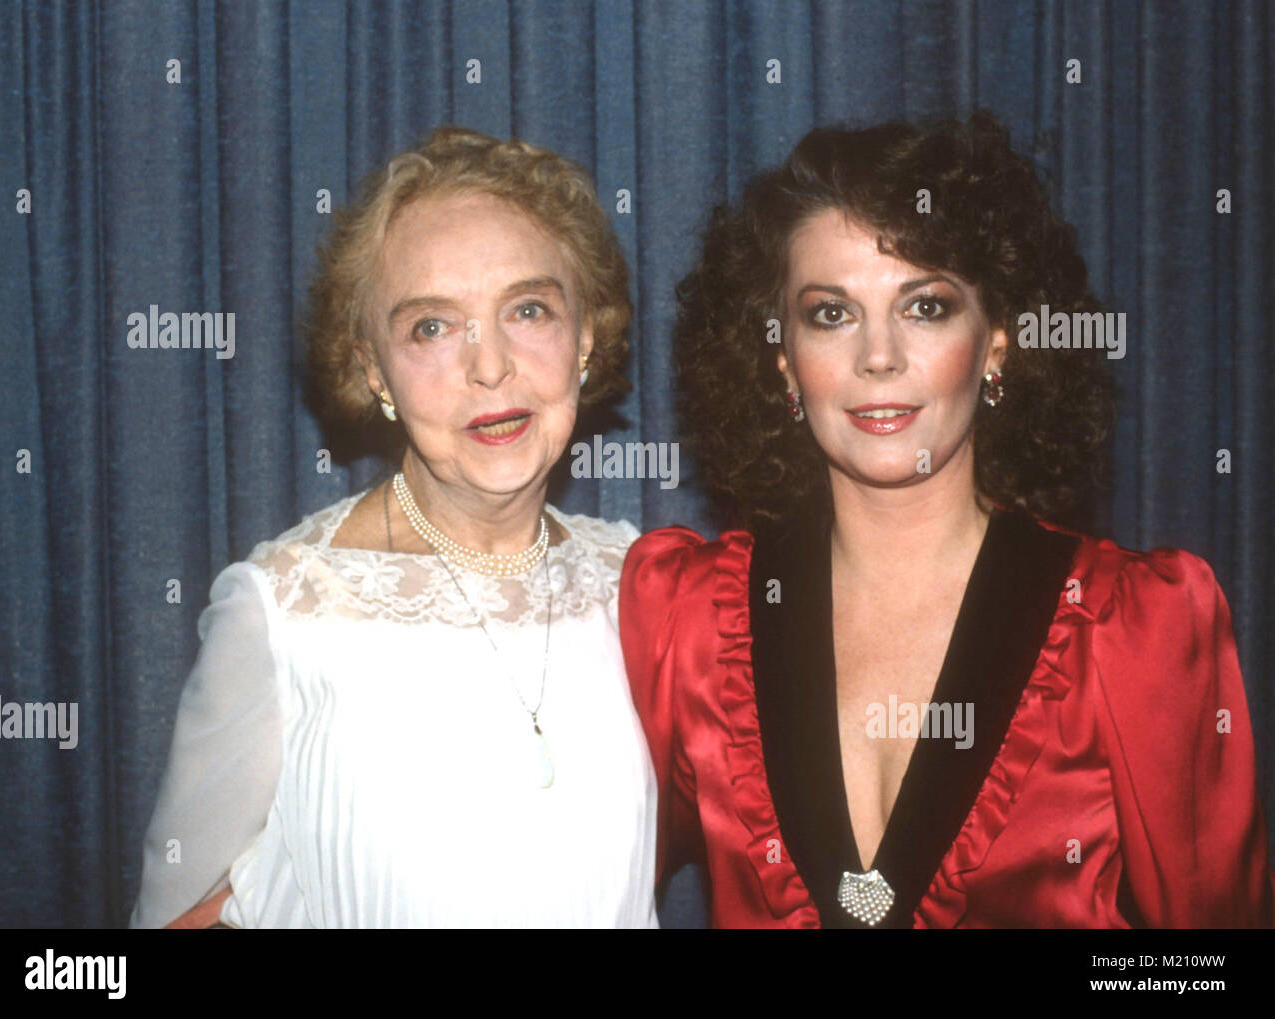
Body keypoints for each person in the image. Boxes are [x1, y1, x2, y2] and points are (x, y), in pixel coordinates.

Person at [620, 112, 1275, 928]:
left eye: (925, 307)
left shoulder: (1131, 627)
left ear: (998, 339)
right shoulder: (688, 621)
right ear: (781, 357)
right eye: (831, 313)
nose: (879, 356)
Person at [131, 126, 657, 928]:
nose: (490, 366)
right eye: (432, 327)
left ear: (585, 334)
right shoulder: (285, 612)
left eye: (527, 309)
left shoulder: (644, 589)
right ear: (372, 369)